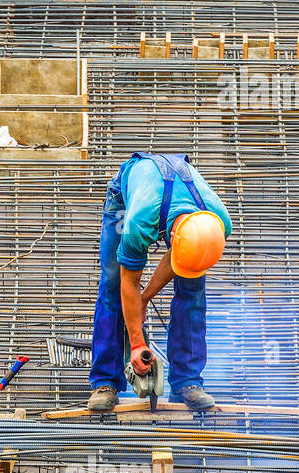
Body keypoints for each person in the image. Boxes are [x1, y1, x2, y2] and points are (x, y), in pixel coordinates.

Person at [87, 152, 231, 412]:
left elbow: (179, 259)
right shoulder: (138, 222)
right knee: (111, 286)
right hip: (124, 200)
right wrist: (138, 344)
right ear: (173, 236)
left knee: (193, 291)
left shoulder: (219, 222)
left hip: (174, 201)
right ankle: (105, 381)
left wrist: (144, 299)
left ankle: (187, 381)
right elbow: (128, 283)